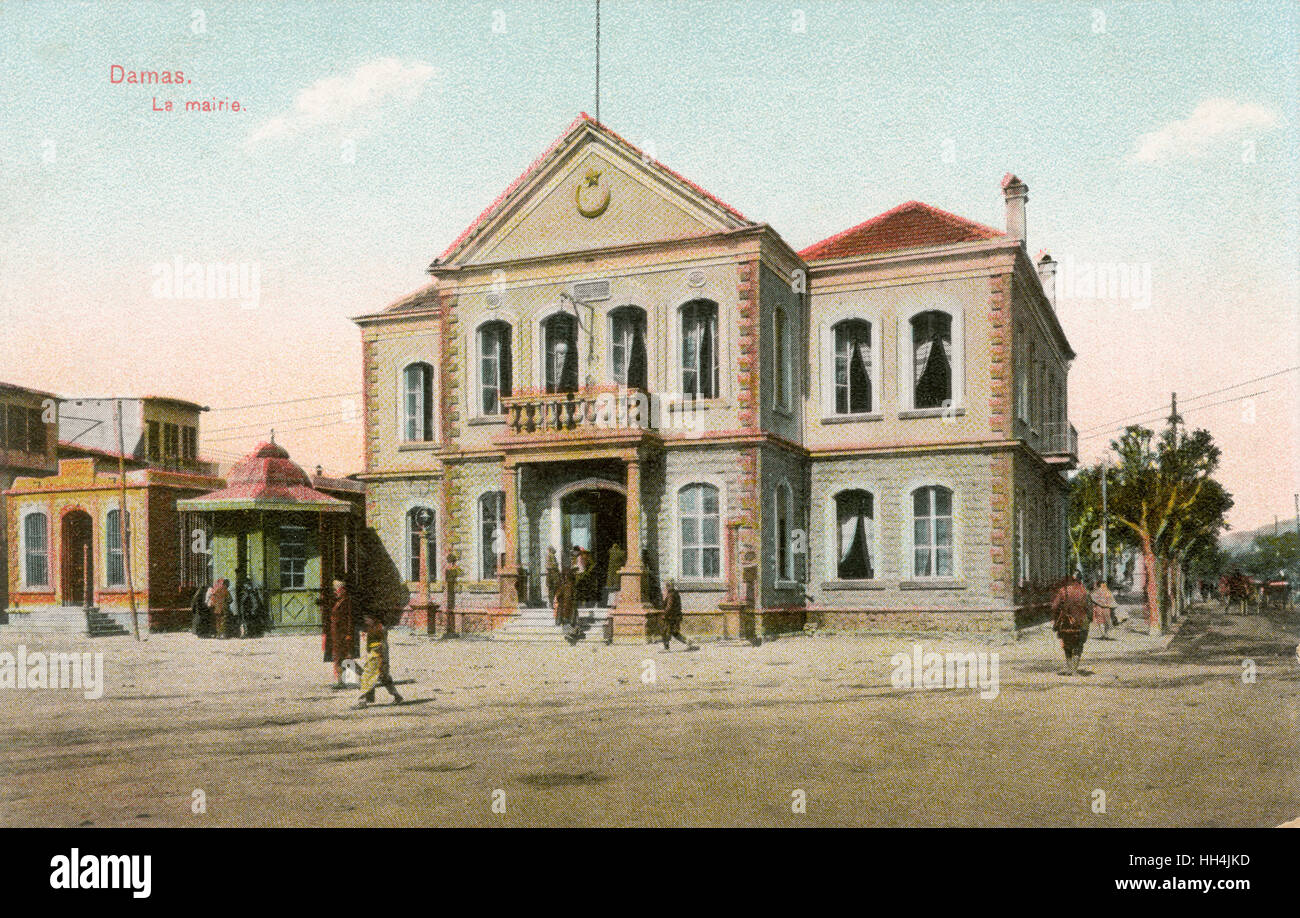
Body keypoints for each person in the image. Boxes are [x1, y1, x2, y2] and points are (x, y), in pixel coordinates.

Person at [356, 613, 402, 707]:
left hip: (377, 656)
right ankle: (397, 696)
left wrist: (378, 657)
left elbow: (378, 646)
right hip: (380, 655)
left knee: (367, 677)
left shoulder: (377, 629)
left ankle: (362, 700)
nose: (366, 621)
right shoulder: (378, 627)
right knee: (384, 677)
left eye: (367, 619)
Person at [1050, 575, 1091, 674]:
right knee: (1078, 645)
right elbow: (1090, 609)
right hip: (1082, 623)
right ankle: (1074, 669)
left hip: (1066, 622)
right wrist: (1089, 620)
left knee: (1067, 645)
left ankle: (1069, 668)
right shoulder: (1085, 592)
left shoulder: (1063, 591)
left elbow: (1054, 607)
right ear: (1079, 580)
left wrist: (1056, 620)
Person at [324, 580, 357, 688]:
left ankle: (351, 680)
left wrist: (349, 634)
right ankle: (341, 681)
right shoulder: (339, 601)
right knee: (338, 658)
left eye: (337, 589)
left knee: (346, 657)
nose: (335, 592)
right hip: (336, 635)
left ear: (342, 590)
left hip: (343, 635)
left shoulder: (347, 601)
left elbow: (350, 620)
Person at [660, 579, 694, 651]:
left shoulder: (671, 595)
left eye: (667, 585)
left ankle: (666, 648)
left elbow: (669, 606)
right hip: (674, 616)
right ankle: (688, 641)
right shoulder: (674, 593)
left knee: (665, 632)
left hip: (671, 617)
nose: (666, 587)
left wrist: (664, 614)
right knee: (674, 632)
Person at [605, 542, 625, 607]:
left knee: (611, 590)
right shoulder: (621, 553)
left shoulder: (611, 552)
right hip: (617, 573)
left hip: (611, 574)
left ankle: (612, 605)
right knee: (617, 589)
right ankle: (617, 604)